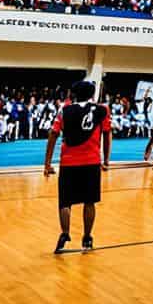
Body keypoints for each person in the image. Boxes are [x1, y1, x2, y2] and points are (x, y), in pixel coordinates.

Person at [44, 80, 112, 253]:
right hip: (91, 162)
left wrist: (47, 164)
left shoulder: (64, 110)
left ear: (74, 94)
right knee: (89, 202)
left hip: (68, 162)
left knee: (65, 202)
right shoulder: (102, 110)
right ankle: (87, 237)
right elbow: (107, 134)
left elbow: (53, 134)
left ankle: (65, 233)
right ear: (91, 94)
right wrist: (106, 161)